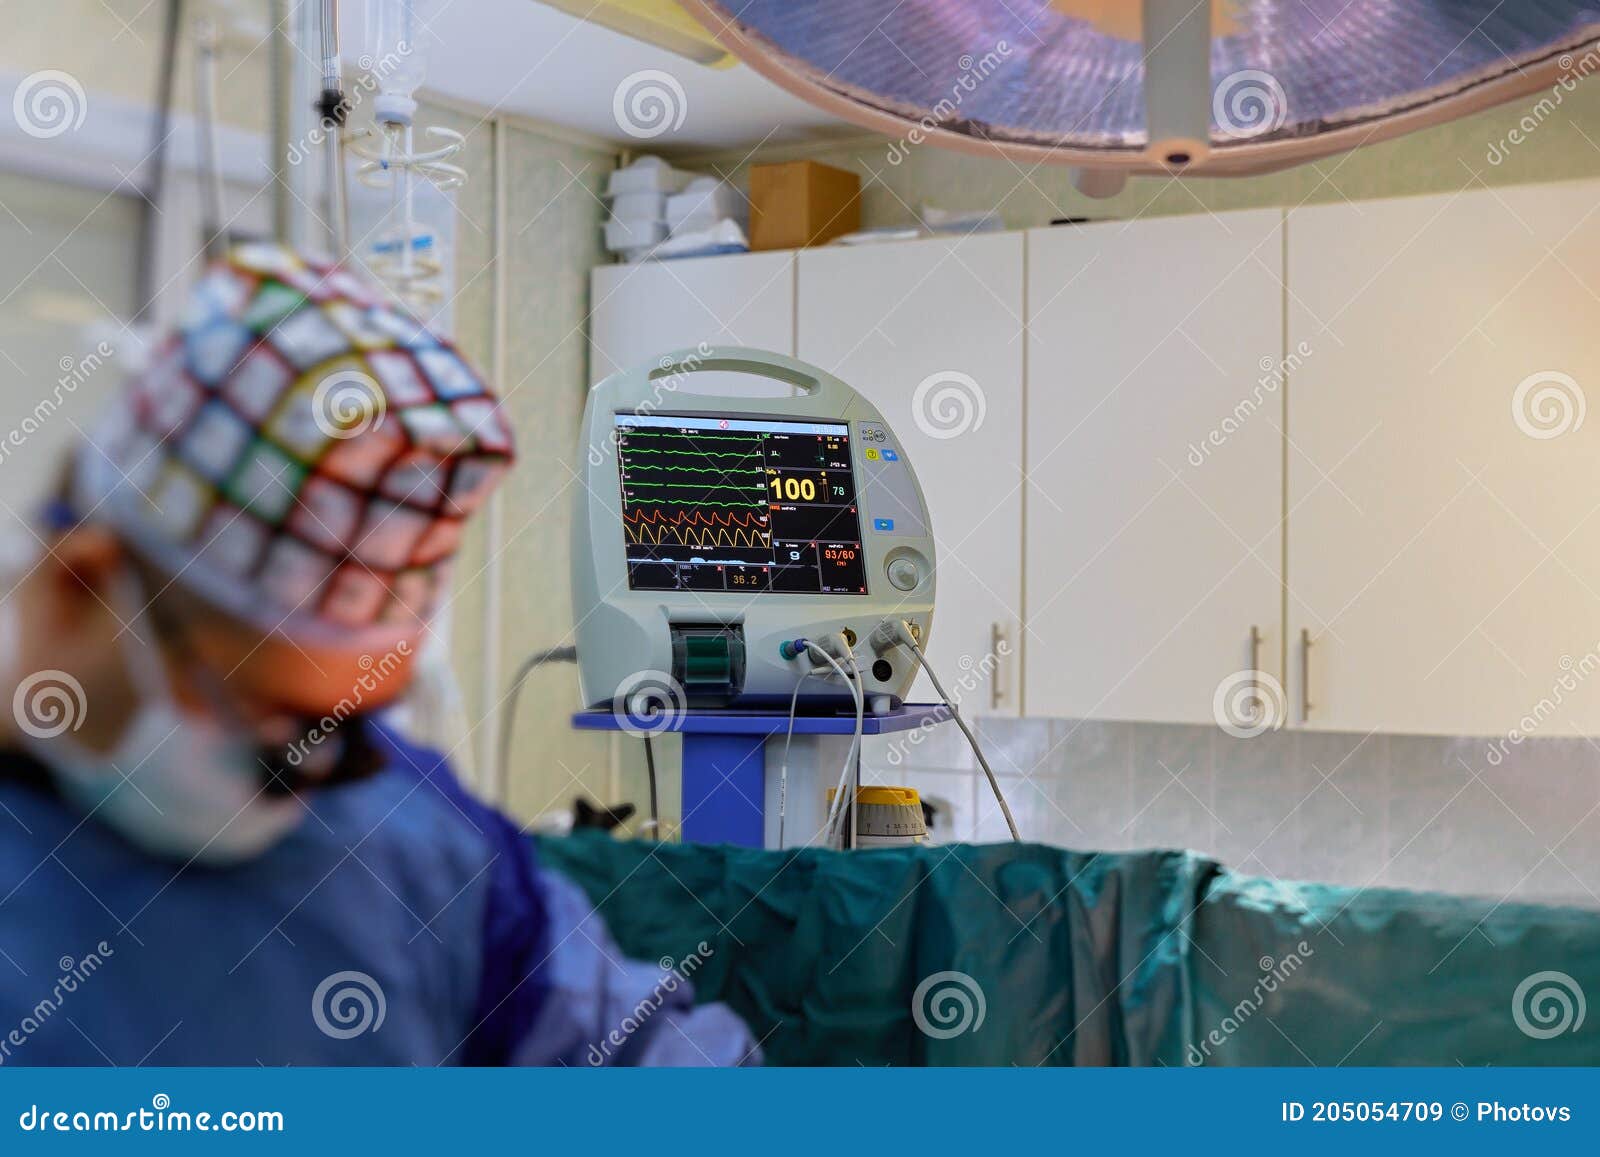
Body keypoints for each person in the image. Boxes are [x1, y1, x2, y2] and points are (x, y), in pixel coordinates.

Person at [0, 243, 757, 1066]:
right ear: (80, 586)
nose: (313, 775)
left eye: (352, 723)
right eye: (274, 721)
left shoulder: (414, 842)